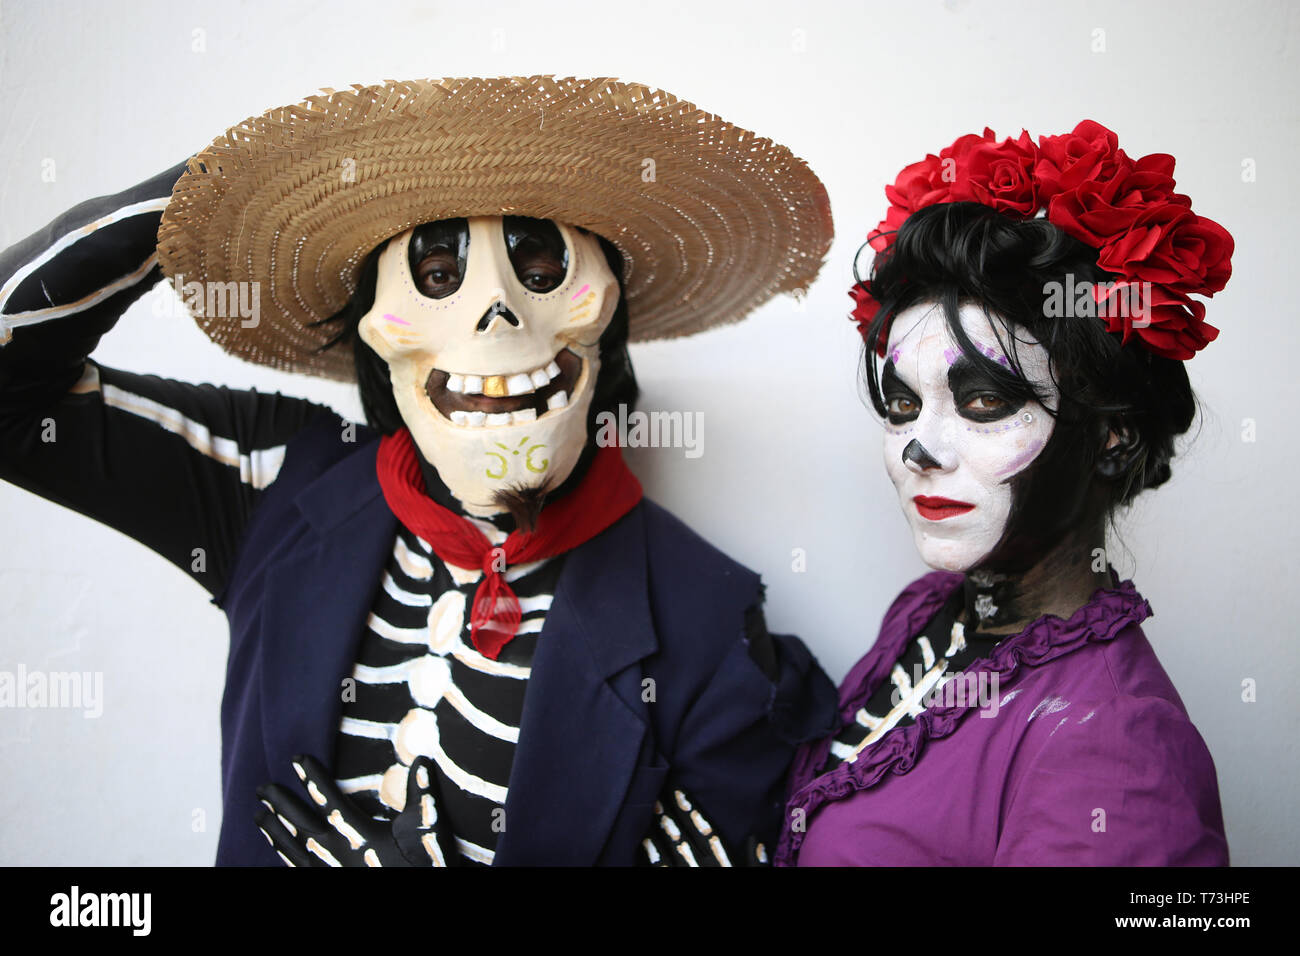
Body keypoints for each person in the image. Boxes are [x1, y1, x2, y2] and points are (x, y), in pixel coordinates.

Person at [0, 76, 838, 866]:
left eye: (544, 273)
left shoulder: (714, 632)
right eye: (438, 277)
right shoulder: (281, 486)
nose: (498, 310)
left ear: (602, 311)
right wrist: (209, 194)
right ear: (378, 328)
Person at [776, 121, 1232, 866]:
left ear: (1110, 434)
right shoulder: (932, 611)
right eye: (902, 406)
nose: (920, 448)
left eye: (983, 404)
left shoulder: (1114, 751)